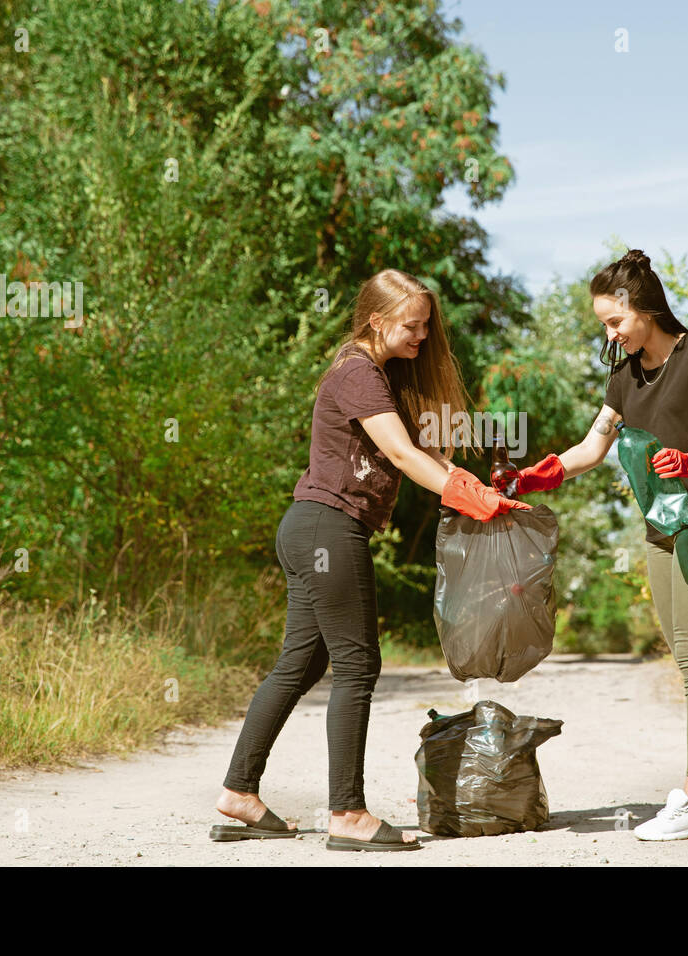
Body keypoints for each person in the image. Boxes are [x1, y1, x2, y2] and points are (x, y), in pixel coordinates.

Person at [213, 268, 529, 852]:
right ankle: (348, 814)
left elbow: (428, 448)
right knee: (358, 667)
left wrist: (477, 486)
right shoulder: (357, 371)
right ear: (376, 321)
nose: (422, 337)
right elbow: (404, 455)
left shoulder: (376, 375)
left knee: (301, 665)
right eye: (412, 326)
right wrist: (470, 498)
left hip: (311, 528)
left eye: (427, 327)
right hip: (327, 530)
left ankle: (239, 792)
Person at [493, 249, 688, 841]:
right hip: (659, 530)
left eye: (615, 320)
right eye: (604, 325)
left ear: (644, 308)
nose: (610, 333)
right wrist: (534, 476)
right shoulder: (624, 377)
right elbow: (591, 448)